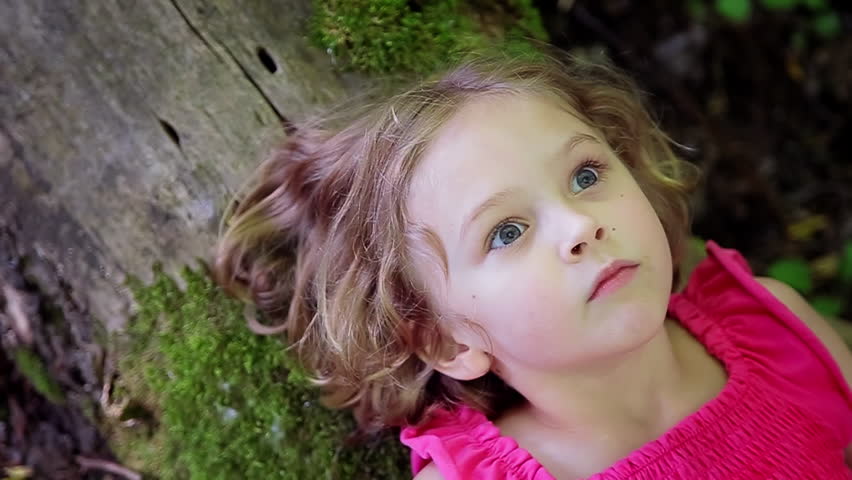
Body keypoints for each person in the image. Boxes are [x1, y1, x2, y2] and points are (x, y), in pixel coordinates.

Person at [212, 48, 852, 479]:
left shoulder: (775, 329)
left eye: (586, 174)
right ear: (443, 337)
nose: (580, 224)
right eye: (506, 231)